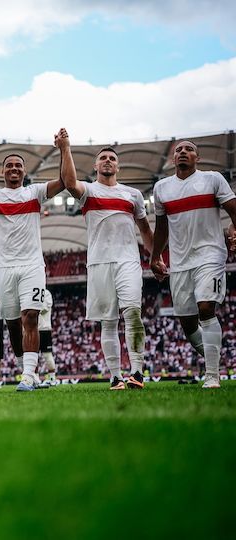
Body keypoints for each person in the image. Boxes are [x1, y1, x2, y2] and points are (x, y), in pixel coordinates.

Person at [0, 128, 72, 391]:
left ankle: (29, 376)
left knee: (30, 316)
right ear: (2, 171)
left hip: (32, 265)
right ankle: (26, 368)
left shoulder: (35, 193)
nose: (14, 168)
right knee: (13, 325)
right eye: (9, 165)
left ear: (24, 171)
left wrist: (64, 148)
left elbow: (65, 181)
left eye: (18, 165)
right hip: (4, 268)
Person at [64, 146, 153, 390]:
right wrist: (65, 148)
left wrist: (155, 258)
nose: (107, 161)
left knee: (133, 312)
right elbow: (70, 182)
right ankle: (115, 376)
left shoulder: (133, 194)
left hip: (128, 260)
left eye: (112, 158)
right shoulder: (89, 190)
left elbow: (145, 229)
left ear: (118, 166)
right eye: (102, 158)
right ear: (95, 166)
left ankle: (137, 372)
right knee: (108, 321)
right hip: (99, 262)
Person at [150, 140, 236, 389]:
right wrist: (156, 257)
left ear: (197, 157)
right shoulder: (162, 188)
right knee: (188, 323)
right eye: (178, 150)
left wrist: (233, 228)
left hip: (210, 255)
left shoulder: (212, 179)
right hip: (180, 262)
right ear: (173, 159)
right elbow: (162, 227)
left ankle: (212, 375)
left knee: (206, 308)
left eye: (188, 149)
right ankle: (213, 358)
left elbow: (233, 209)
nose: (183, 152)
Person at [37, 287, 56, 387]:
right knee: (33, 355)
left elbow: (44, 308)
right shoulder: (30, 291)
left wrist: (31, 308)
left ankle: (52, 378)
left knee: (47, 355)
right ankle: (35, 379)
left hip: (44, 328)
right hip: (32, 329)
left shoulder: (46, 293)